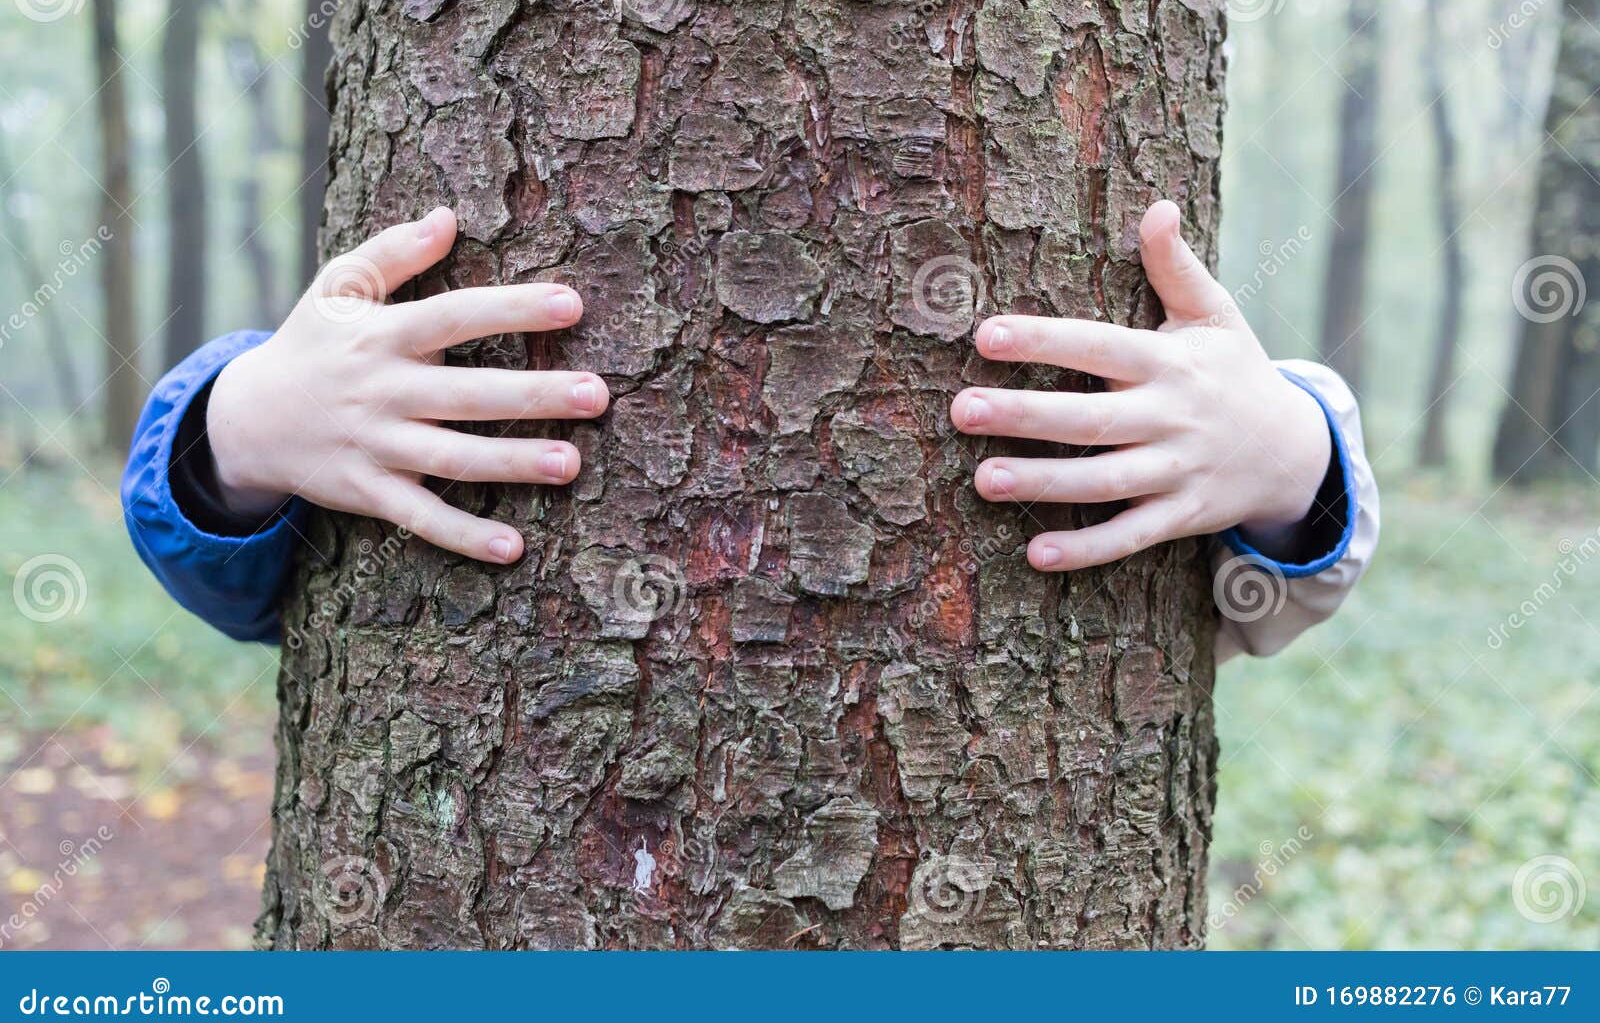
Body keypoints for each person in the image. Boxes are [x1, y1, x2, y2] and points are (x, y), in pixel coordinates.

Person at [122, 202, 1377, 662]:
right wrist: (238, 429)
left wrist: (1293, 460)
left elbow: (1248, 613)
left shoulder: (1201, 416)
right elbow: (254, 598)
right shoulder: (344, 403)